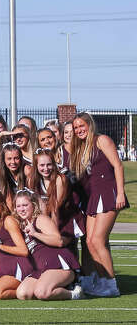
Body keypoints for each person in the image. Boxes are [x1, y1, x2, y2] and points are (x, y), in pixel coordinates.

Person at [69, 112, 126, 297]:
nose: (79, 130)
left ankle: (111, 284)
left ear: (89, 125)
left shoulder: (102, 140)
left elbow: (118, 166)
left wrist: (120, 193)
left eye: (81, 126)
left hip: (108, 193)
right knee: (89, 242)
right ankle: (104, 282)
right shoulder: (81, 147)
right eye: (76, 127)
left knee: (98, 241)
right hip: (94, 197)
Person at [13, 190, 82, 300]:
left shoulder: (40, 219)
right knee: (23, 293)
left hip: (58, 265)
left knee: (42, 292)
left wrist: (35, 234)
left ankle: (75, 293)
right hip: (41, 269)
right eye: (18, 206)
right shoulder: (23, 225)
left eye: (25, 205)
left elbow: (59, 241)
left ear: (33, 205)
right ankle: (54, 285)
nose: (22, 209)